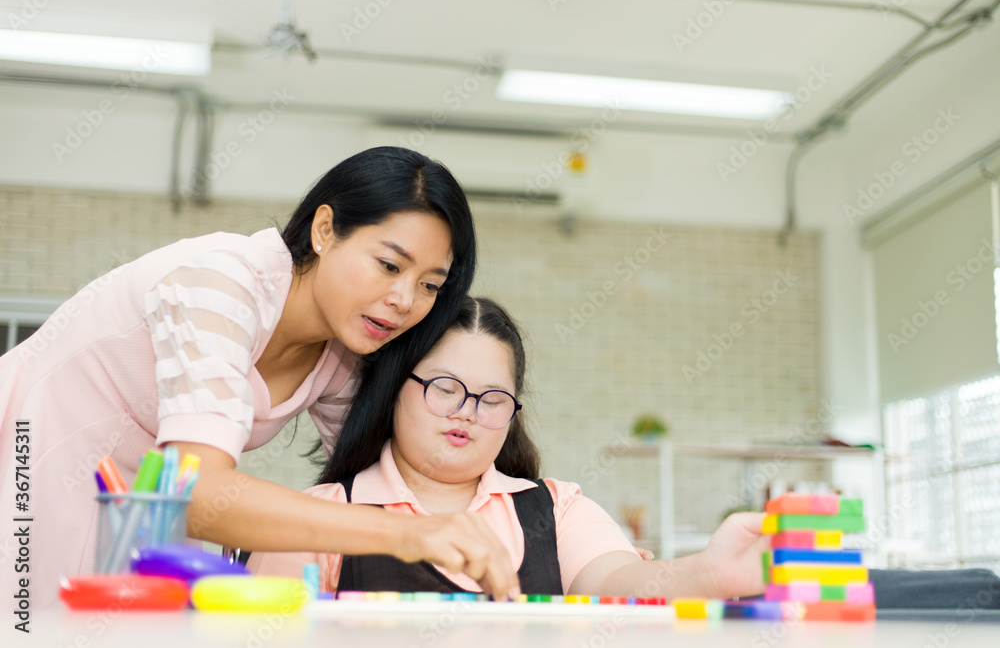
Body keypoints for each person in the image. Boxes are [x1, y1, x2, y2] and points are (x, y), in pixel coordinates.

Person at [0, 147, 524, 610]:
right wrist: (410, 533)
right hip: (29, 457)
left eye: (430, 285)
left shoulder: (341, 359)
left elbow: (386, 483)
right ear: (324, 230)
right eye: (389, 265)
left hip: (137, 513)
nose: (405, 301)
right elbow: (200, 495)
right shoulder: (221, 283)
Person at [250, 297, 770, 598]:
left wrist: (705, 572)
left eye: (492, 398)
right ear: (393, 389)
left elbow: (614, 583)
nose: (466, 411)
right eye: (445, 388)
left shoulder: (556, 509)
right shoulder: (321, 517)